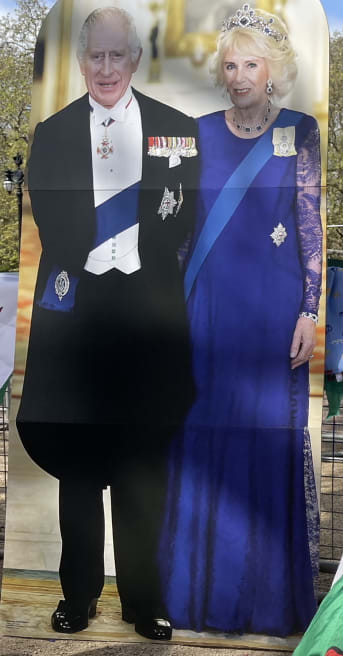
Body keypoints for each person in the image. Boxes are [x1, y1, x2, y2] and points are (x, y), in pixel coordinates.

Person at [16, 6, 198, 641]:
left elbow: (184, 215)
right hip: (79, 317)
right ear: (81, 59)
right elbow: (51, 216)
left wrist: (136, 253)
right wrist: (97, 254)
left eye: (117, 55)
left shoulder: (176, 131)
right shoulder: (54, 132)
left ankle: (143, 602)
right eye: (95, 55)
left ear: (136, 60)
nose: (106, 67)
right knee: (82, 463)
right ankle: (78, 595)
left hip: (147, 316)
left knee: (142, 463)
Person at [157, 4, 322, 636]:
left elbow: (309, 223)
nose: (239, 75)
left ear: (274, 70)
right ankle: (193, 597)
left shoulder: (300, 130)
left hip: (271, 313)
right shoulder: (193, 132)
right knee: (200, 443)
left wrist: (309, 309)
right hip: (209, 311)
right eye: (230, 64)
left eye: (251, 63)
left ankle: (267, 602)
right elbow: (178, 233)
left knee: (263, 440)